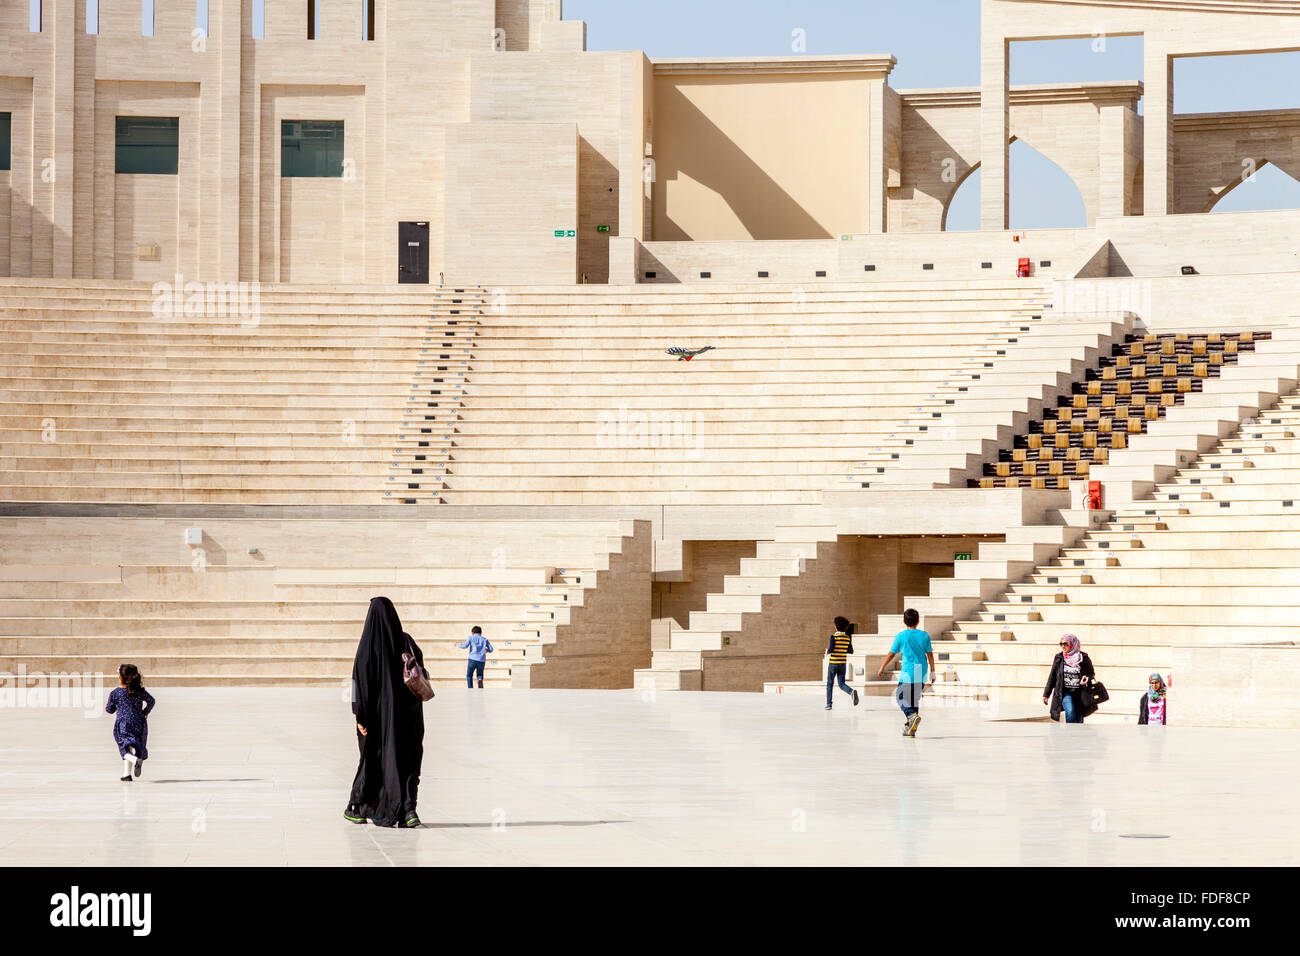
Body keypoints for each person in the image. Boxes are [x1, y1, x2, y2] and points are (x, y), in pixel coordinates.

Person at [344, 597, 428, 828]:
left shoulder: (368, 646)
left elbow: (359, 684)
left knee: (374, 760)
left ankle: (359, 807)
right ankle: (409, 810)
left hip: (378, 720)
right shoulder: (406, 642)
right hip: (409, 717)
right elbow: (421, 671)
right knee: (408, 760)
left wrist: (360, 716)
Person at [876, 608, 934, 737]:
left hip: (908, 671)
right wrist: (933, 672)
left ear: (904, 621)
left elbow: (891, 654)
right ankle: (910, 728)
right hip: (921, 670)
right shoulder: (924, 635)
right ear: (918, 621)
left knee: (900, 697)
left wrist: (882, 667)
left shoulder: (901, 636)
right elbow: (930, 654)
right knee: (914, 700)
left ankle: (911, 716)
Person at [105, 664, 155, 781]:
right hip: (139, 723)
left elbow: (109, 709)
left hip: (123, 725)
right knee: (132, 745)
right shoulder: (139, 691)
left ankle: (135, 760)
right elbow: (151, 701)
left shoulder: (115, 693)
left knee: (124, 746)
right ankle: (126, 774)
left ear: (121, 678)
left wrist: (114, 706)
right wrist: (145, 711)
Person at [1042, 633, 1095, 724]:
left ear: (1072, 643)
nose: (1063, 646)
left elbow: (1091, 673)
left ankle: (1077, 736)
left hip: (1080, 693)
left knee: (1079, 717)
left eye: (1065, 644)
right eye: (1061, 644)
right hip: (1065, 692)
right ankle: (1069, 734)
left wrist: (1086, 678)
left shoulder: (1083, 657)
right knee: (1070, 712)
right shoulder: (1059, 657)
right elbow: (1052, 676)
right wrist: (1046, 694)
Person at [825, 616, 860, 710]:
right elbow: (851, 651)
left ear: (836, 626)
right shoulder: (847, 638)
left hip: (833, 663)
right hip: (842, 664)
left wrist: (827, 651)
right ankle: (851, 692)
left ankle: (829, 704)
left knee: (830, 683)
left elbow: (831, 649)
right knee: (841, 684)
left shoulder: (834, 637)